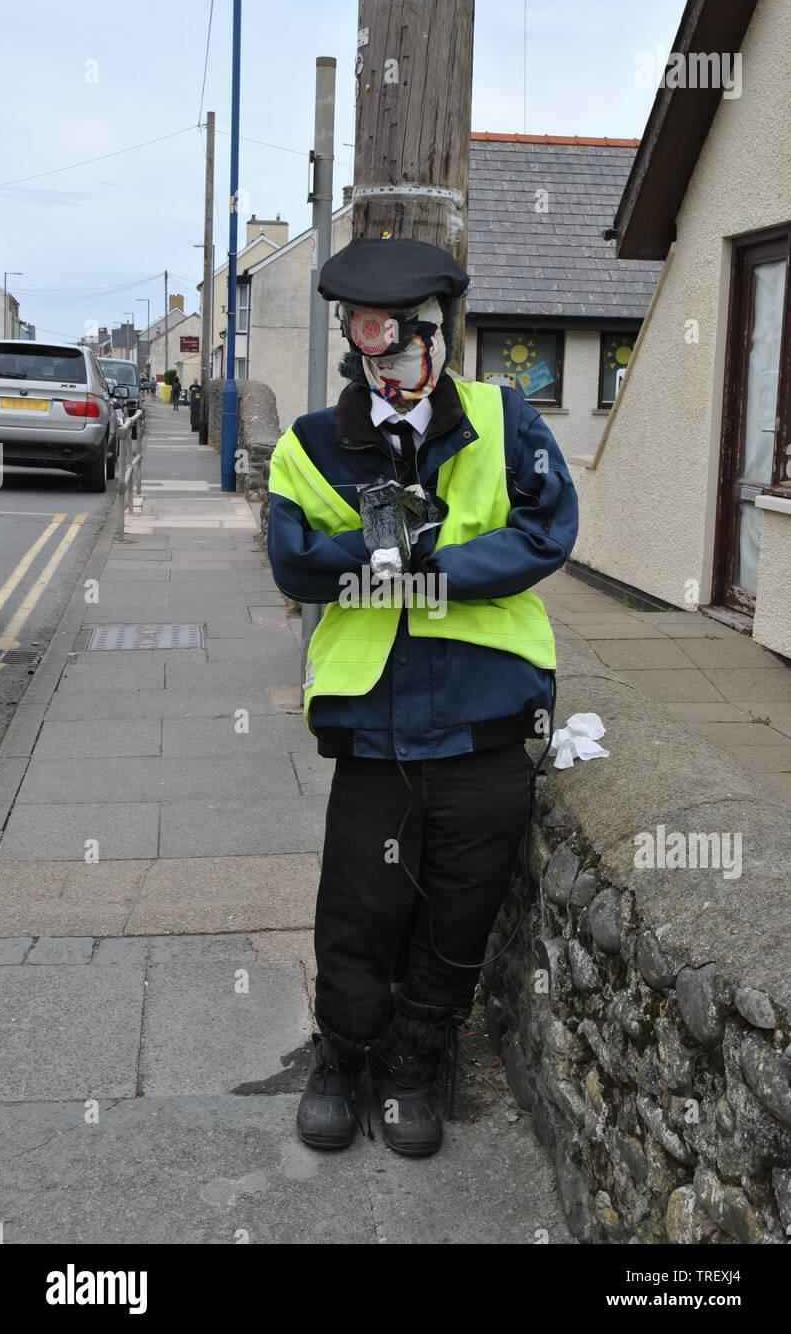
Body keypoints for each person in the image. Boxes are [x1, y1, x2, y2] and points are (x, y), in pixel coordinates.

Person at [267, 237, 579, 1158]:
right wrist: (380, 565)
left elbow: (546, 529)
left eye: (409, 349)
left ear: (441, 338)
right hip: (374, 726)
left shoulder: (505, 416)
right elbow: (295, 559)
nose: (395, 368)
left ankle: (415, 1060)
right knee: (359, 907)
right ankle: (343, 1054)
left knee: (460, 907)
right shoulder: (313, 444)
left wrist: (430, 567)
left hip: (486, 719)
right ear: (354, 347)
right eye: (376, 352)